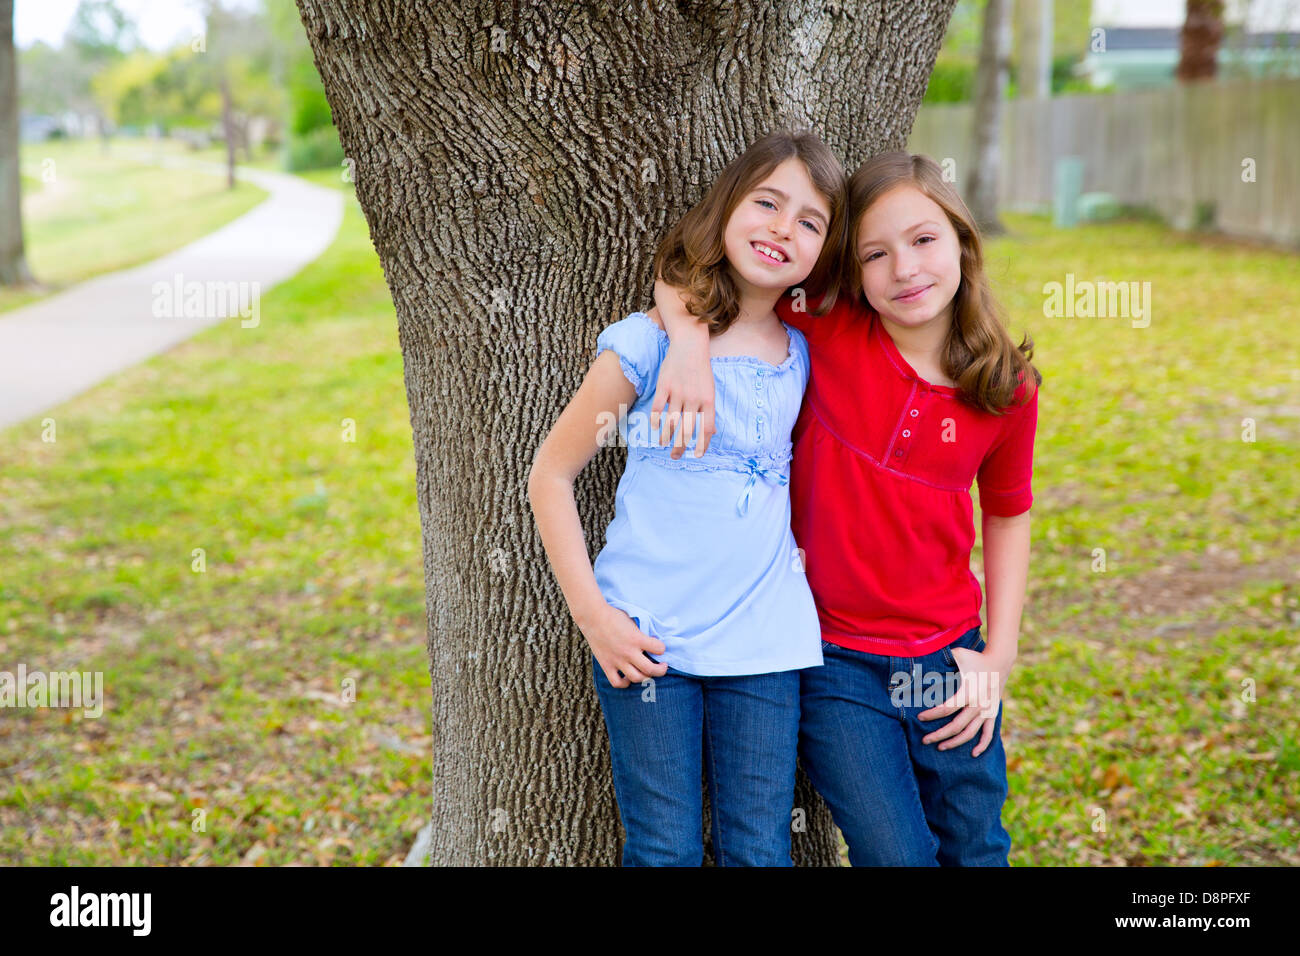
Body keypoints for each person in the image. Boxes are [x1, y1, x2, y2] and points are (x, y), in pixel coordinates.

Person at [651, 150, 1041, 866]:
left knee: (978, 844)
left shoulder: (1004, 388)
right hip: (833, 660)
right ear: (852, 271)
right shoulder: (827, 331)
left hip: (946, 658)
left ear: (961, 241)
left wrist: (999, 655)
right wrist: (684, 345)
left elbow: (1008, 515)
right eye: (875, 253)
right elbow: (691, 278)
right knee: (896, 854)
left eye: (924, 240)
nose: (905, 269)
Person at [527, 129, 849, 866]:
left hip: (766, 642)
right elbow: (551, 474)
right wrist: (595, 618)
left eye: (810, 220)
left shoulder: (806, 349)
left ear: (825, 252)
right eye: (766, 201)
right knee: (664, 849)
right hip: (648, 639)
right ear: (727, 207)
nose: (782, 227)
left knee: (760, 851)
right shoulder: (647, 344)